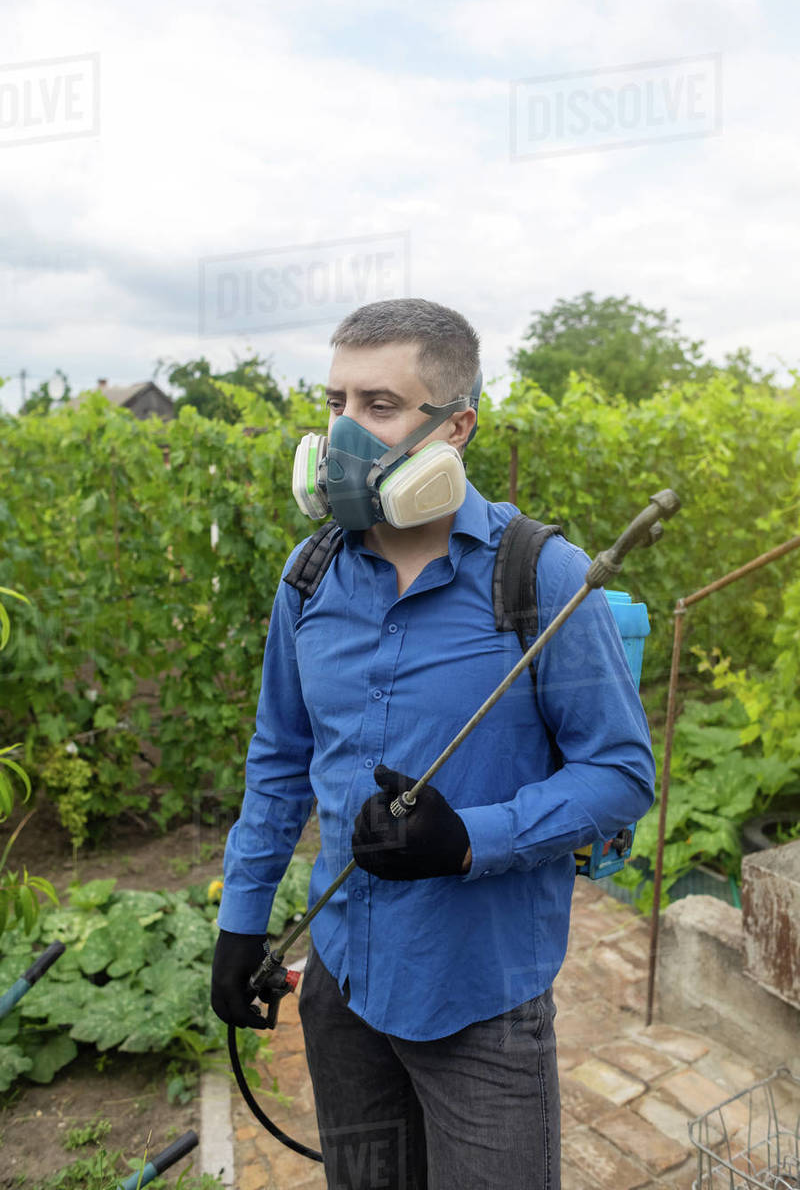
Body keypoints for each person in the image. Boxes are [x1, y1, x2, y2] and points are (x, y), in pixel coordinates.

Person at [211, 298, 655, 1190]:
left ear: (456, 427)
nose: (343, 433)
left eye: (378, 407)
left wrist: (467, 842)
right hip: (341, 981)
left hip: (479, 1002)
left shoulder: (539, 578)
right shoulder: (309, 579)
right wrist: (240, 921)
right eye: (335, 403)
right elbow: (278, 760)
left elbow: (620, 771)